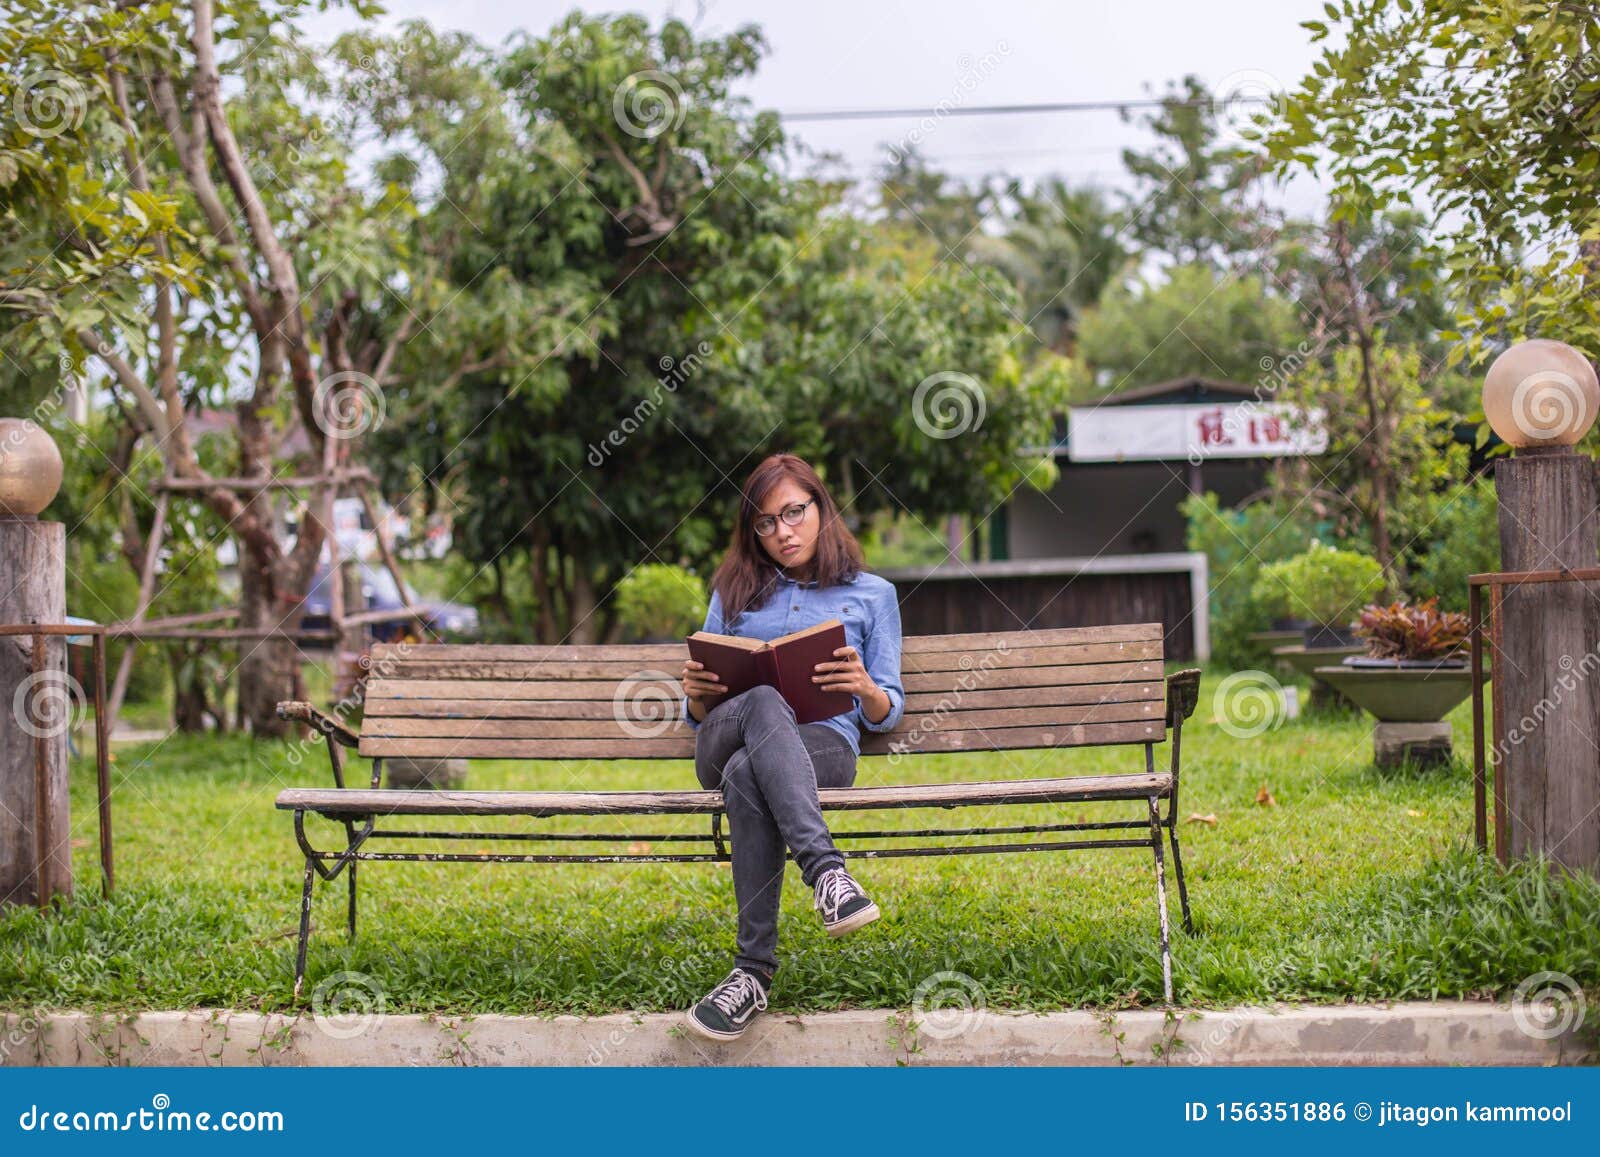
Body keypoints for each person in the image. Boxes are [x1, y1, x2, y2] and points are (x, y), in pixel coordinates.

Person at [678, 452, 904, 1042]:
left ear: (821, 509)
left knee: (750, 773)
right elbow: (697, 712)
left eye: (793, 513)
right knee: (760, 702)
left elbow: (888, 710)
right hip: (721, 738)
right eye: (765, 523)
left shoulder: (874, 595)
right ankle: (828, 874)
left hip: (824, 747)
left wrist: (864, 689)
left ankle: (751, 974)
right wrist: (697, 693)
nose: (782, 532)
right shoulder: (733, 592)